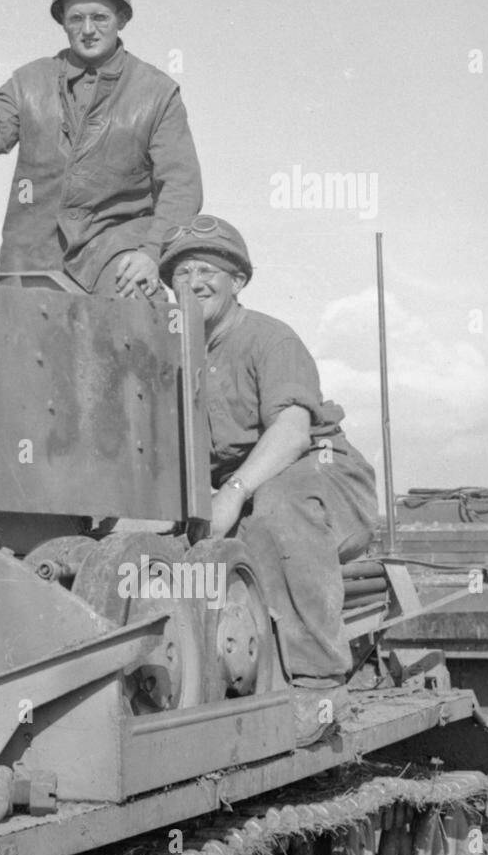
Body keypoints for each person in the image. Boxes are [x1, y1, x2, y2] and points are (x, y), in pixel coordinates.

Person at [159, 215, 379, 744]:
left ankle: (319, 684)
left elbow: (293, 430)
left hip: (320, 474)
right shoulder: (173, 355)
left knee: (277, 508)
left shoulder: (270, 339)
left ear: (238, 281)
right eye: (183, 273)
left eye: (209, 270)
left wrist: (233, 494)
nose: (195, 281)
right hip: (237, 481)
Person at [0, 0, 202, 298]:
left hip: (113, 256)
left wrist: (151, 252)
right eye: (76, 18)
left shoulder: (158, 93)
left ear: (122, 20)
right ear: (63, 24)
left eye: (100, 17)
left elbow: (181, 187)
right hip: (31, 260)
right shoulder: (29, 81)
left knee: (138, 315)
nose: (88, 29)